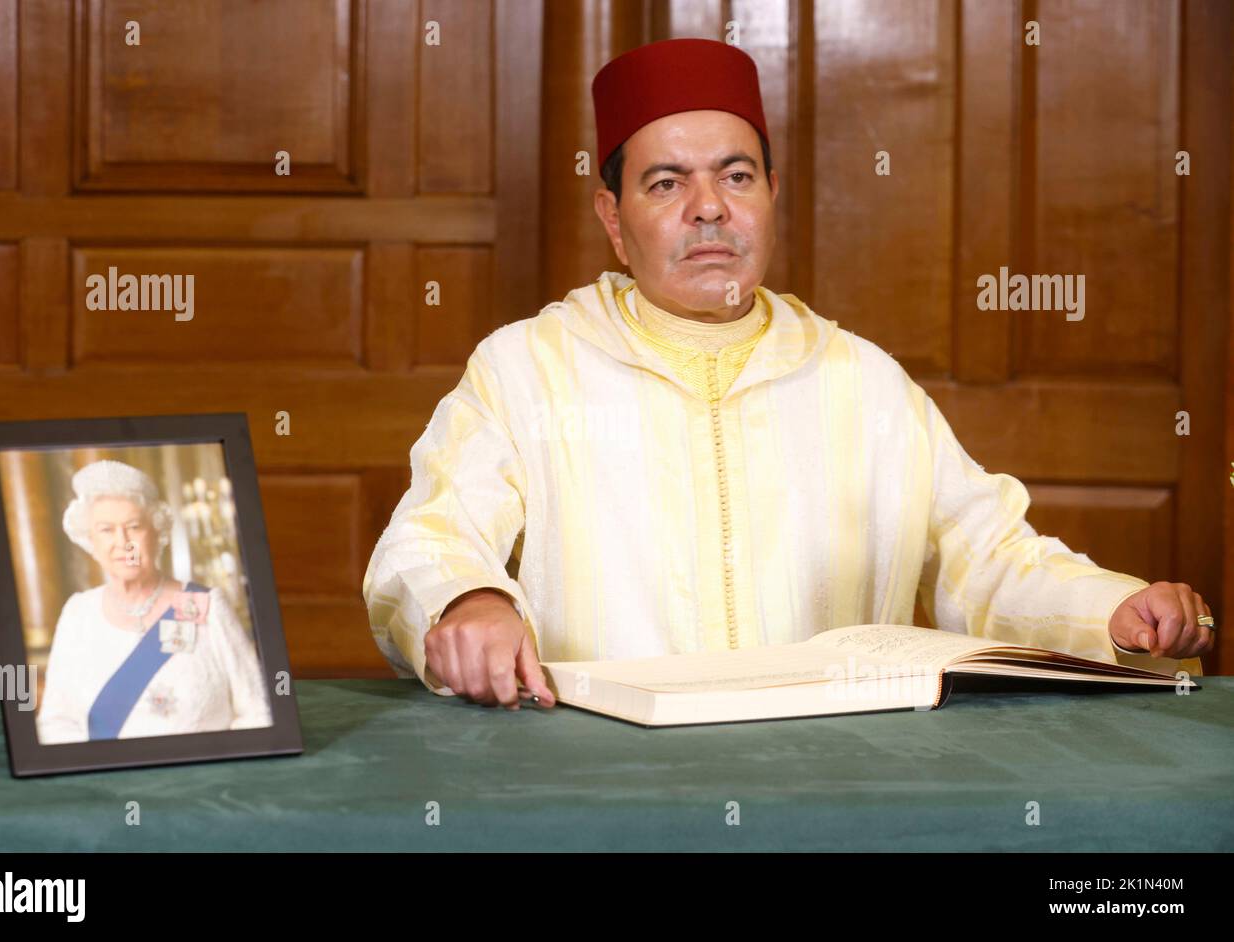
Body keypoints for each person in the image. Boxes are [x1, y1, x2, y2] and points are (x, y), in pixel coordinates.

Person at [363, 38, 1213, 710]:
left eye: (736, 176)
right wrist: (467, 600)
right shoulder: (527, 370)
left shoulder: (860, 381)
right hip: (603, 773)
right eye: (666, 183)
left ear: (770, 192)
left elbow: (985, 557)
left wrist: (1109, 611)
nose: (708, 208)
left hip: (832, 776)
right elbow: (430, 538)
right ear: (613, 220)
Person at [36, 459, 272, 743]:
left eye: (134, 526)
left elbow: (259, 710)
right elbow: (55, 722)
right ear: (91, 542)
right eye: (106, 530)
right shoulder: (77, 614)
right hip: (110, 783)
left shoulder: (206, 606)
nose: (123, 542)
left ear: (156, 532)